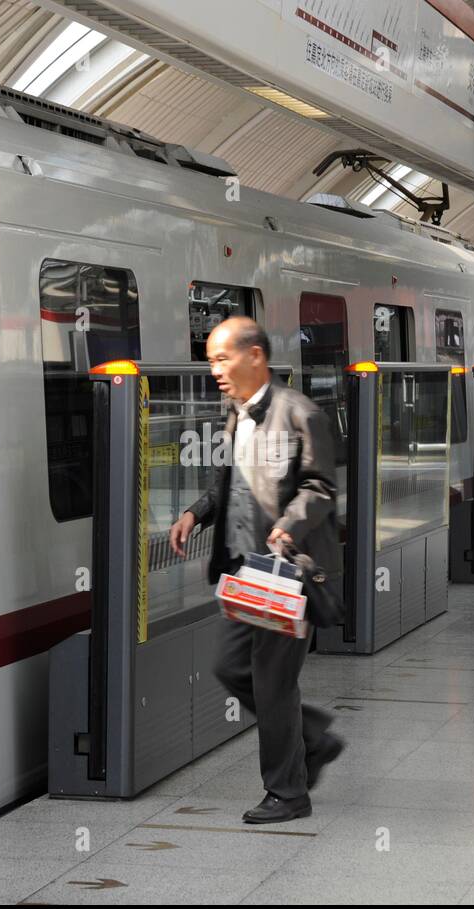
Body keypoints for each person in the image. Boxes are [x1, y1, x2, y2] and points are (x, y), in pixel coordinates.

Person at [169, 316, 344, 824]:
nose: (215, 370)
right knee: (230, 667)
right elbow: (228, 481)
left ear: (255, 356)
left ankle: (288, 794)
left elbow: (321, 488)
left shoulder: (299, 413)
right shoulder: (237, 413)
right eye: (211, 362)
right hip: (244, 573)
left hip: (288, 573)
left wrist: (290, 524)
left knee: (271, 683)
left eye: (222, 359)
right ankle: (314, 739)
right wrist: (196, 513)